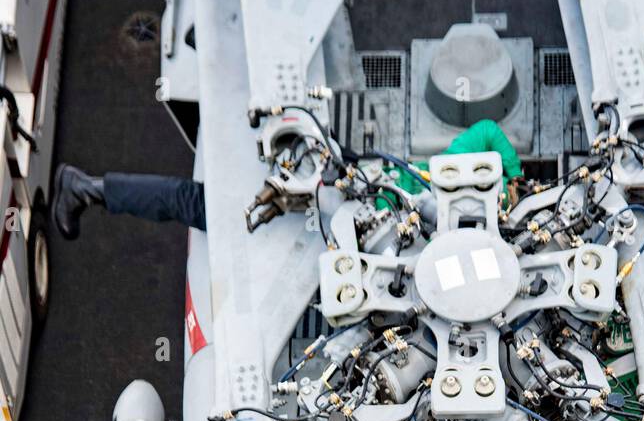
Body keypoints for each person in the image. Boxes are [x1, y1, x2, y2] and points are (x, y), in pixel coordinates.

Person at [50, 118, 523, 240]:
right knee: (193, 204)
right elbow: (486, 132)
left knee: (194, 200)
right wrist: (517, 176)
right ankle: (86, 189)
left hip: (323, 197)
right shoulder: (446, 178)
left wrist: (512, 178)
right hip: (307, 216)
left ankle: (89, 189)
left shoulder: (454, 171)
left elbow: (486, 133)